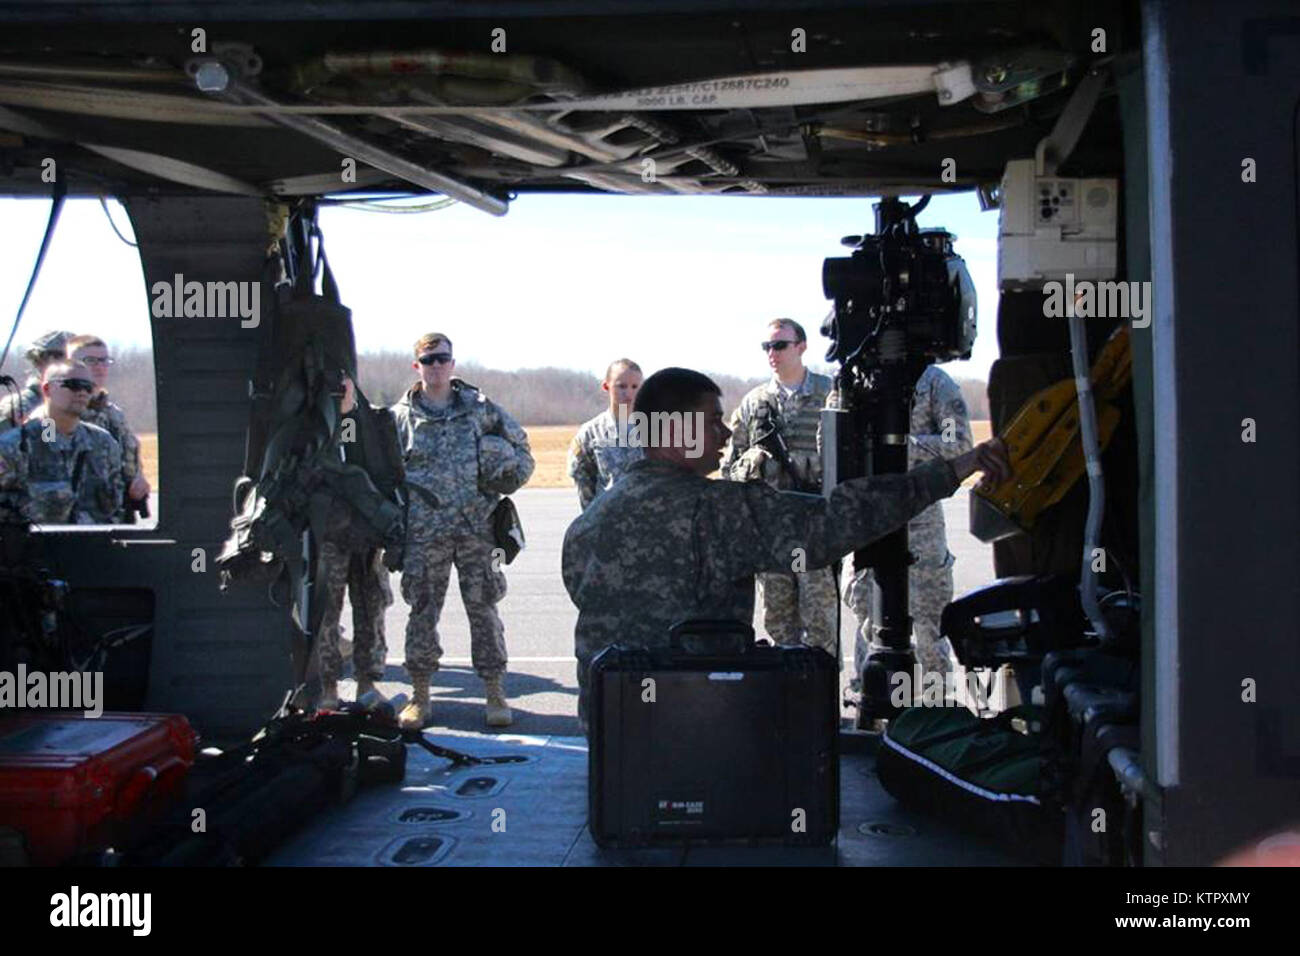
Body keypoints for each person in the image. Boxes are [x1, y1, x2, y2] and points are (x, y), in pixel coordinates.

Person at [561, 366, 1010, 732]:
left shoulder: (589, 522)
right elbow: (834, 521)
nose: (724, 434)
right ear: (677, 429)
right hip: (694, 730)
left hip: (613, 738)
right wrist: (956, 468)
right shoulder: (720, 509)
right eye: (714, 421)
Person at [391, 333, 535, 730]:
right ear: (416, 366)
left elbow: (522, 450)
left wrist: (505, 486)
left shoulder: (480, 410)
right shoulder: (399, 419)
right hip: (424, 534)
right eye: (428, 360)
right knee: (421, 611)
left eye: (442, 359)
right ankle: (420, 696)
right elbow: (383, 474)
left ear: (453, 365)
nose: (436, 366)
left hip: (479, 533)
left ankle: (495, 692)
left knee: (485, 608)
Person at [843, 364, 973, 681]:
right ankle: (871, 709)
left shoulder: (933, 383)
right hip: (867, 521)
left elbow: (959, 445)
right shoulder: (855, 379)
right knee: (868, 623)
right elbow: (832, 442)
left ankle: (936, 715)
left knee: (930, 627)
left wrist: (896, 447)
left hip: (921, 525)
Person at [720, 318, 838, 656]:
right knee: (779, 621)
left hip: (815, 527)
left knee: (821, 621)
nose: (773, 353)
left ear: (801, 347)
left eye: (780, 345)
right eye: (767, 347)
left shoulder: (829, 395)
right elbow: (730, 464)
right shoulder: (754, 403)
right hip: (772, 530)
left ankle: (822, 692)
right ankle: (786, 697)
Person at [313, 374, 401, 709]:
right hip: (331, 534)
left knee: (371, 608)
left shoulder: (376, 422)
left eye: (345, 384)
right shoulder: (316, 426)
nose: (341, 391)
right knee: (328, 613)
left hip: (369, 533)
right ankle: (328, 688)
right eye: (335, 387)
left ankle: (367, 682)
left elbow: (392, 472)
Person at [0, 361, 124, 524]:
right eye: (73, 385)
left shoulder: (103, 443)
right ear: (47, 389)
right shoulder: (16, 446)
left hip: (92, 544)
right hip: (35, 546)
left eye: (88, 387)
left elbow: (114, 508)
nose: (82, 393)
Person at [64, 335, 151, 514]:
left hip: (114, 518)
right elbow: (41, 459)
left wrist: (138, 479)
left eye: (104, 361)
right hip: (70, 522)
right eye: (90, 361)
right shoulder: (52, 415)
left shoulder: (114, 415)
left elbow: (131, 460)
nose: (100, 367)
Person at [567, 358, 644, 510]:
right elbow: (583, 480)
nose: (628, 393)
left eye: (635, 387)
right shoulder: (591, 433)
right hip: (608, 523)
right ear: (606, 386)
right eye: (621, 386)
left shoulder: (657, 430)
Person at [0, 330, 74, 432]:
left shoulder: (87, 406)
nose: (68, 364)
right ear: (39, 361)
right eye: (59, 356)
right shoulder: (20, 407)